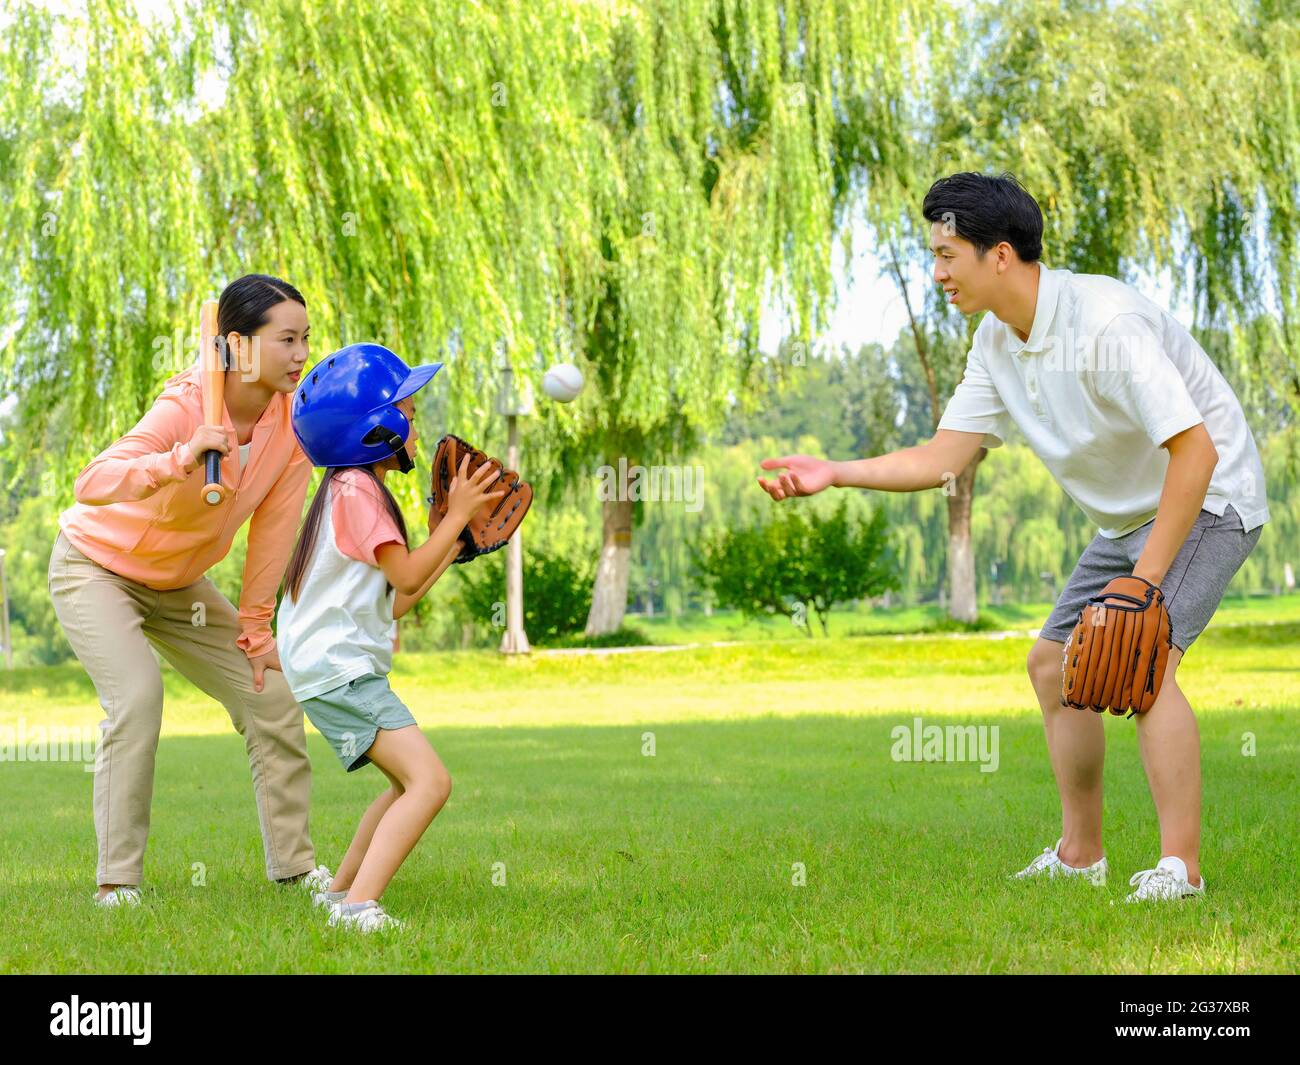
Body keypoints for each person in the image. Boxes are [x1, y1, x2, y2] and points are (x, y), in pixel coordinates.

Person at [758, 172, 1268, 903]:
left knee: (1142, 660)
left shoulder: (1104, 324)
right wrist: (834, 471)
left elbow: (1197, 451)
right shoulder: (996, 341)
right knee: (1053, 665)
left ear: (1000, 255)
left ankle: (1179, 869)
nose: (936, 273)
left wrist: (1143, 584)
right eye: (932, 255)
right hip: (1127, 515)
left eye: (946, 255)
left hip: (1210, 499)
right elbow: (942, 458)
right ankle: (1079, 854)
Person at [49, 274, 335, 906]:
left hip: (179, 585)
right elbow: (92, 481)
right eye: (286, 340)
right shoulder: (185, 404)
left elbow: (272, 537)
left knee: (270, 695)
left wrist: (258, 631)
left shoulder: (293, 428)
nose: (300, 355)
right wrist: (178, 459)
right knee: (138, 698)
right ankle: (117, 884)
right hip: (95, 568)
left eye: (304, 340)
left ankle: (295, 868)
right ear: (236, 344)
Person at [277, 343, 504, 932]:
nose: (414, 417)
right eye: (405, 404)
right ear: (377, 427)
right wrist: (455, 515)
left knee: (406, 782)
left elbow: (398, 598)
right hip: (339, 670)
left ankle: (341, 892)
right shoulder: (357, 491)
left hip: (332, 668)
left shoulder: (351, 490)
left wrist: (451, 547)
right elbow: (403, 574)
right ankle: (357, 909)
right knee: (431, 782)